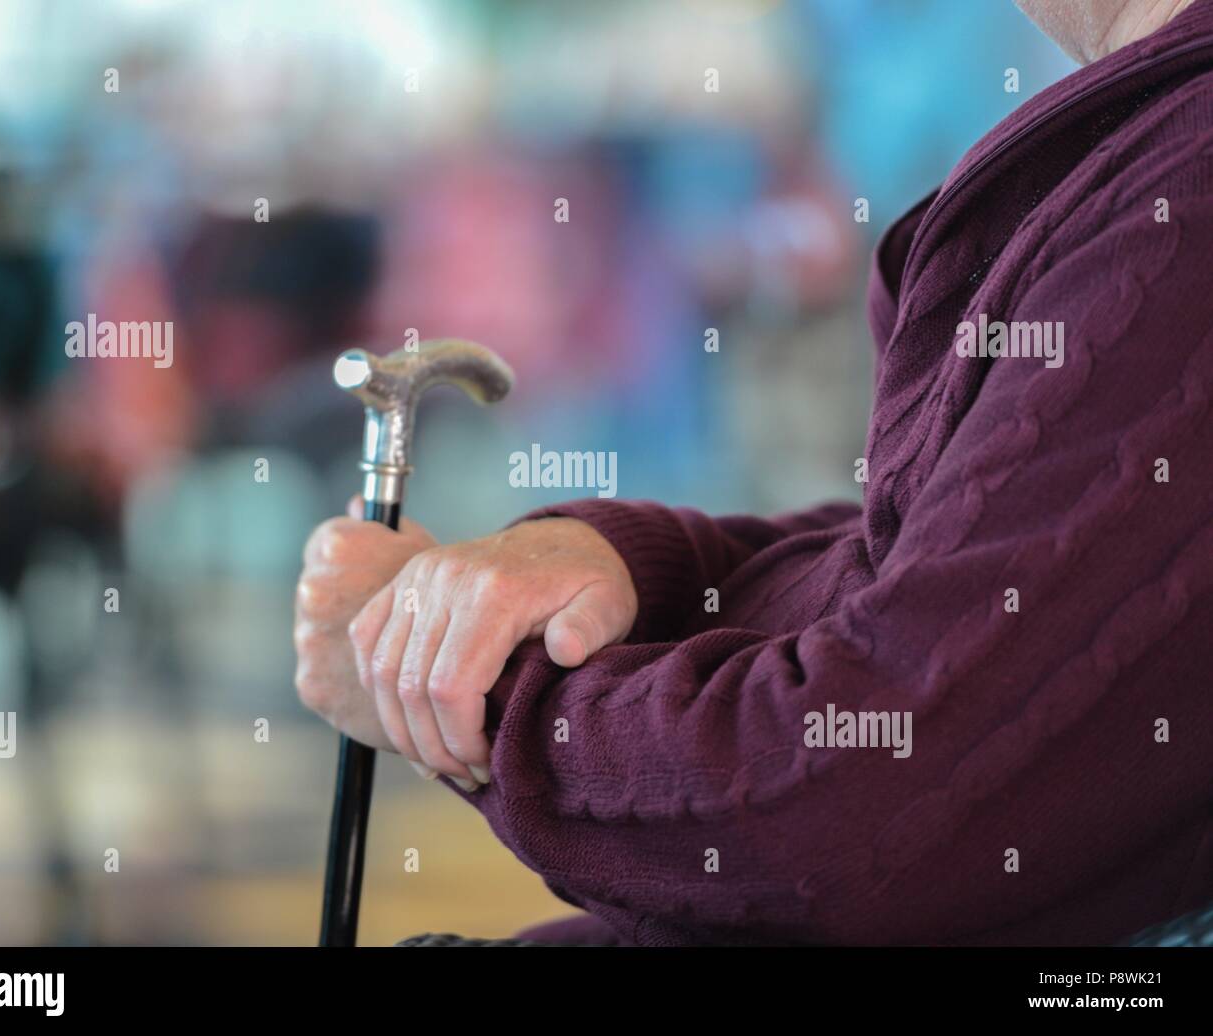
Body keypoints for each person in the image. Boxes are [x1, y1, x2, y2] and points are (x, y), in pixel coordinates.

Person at [293, 0, 1213, 946]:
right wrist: (635, 564)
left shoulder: (1187, 190)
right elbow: (940, 569)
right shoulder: (1161, 143)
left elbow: (856, 812)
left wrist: (467, 684)